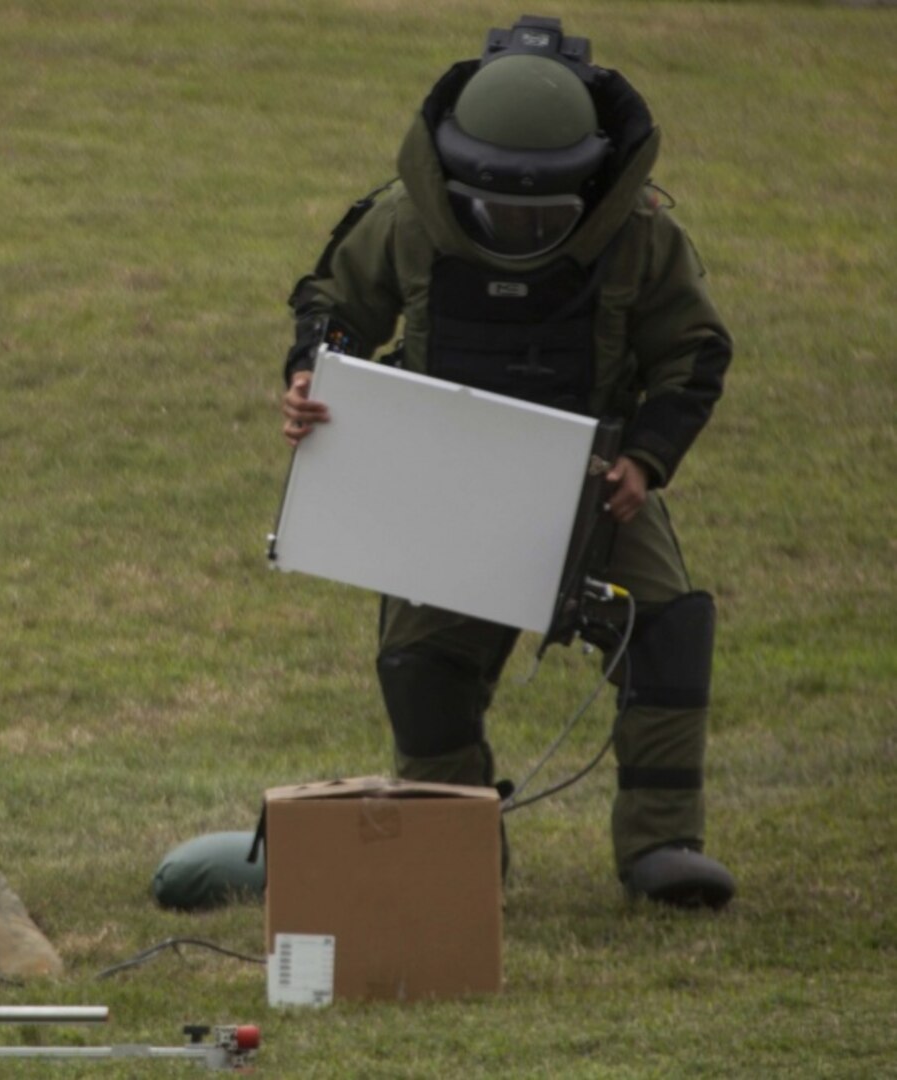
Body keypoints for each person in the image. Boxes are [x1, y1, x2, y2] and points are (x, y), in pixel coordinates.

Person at [279, 15, 735, 908]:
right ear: (455, 176)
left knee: (667, 626)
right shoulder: (406, 223)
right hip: (444, 486)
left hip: (596, 489)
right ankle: (456, 853)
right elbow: (333, 301)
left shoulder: (641, 238)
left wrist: (644, 459)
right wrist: (307, 373)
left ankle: (660, 848)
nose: (519, 228)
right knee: (419, 667)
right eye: (499, 210)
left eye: (545, 215)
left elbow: (693, 352)